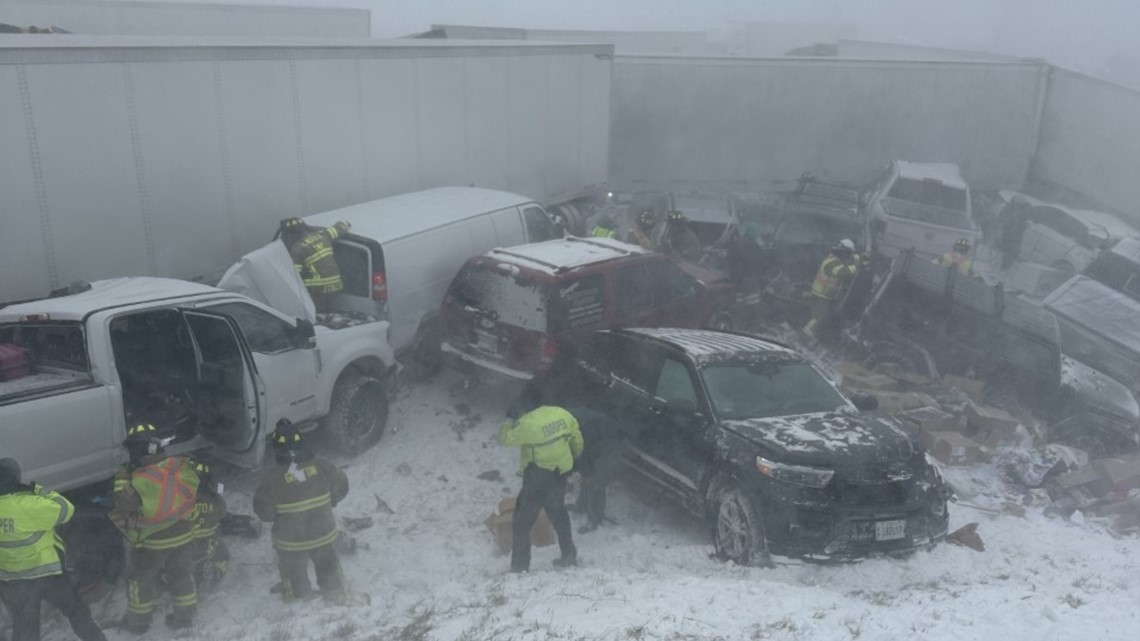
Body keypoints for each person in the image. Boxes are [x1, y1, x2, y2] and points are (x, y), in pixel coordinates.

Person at [0, 458, 108, 641]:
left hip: (15, 582)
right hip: (48, 575)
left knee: (25, 627)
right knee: (76, 611)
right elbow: (66, 509)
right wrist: (38, 490)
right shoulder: (28, 504)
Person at [110, 423, 200, 634]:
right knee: (182, 575)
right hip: (185, 533)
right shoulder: (180, 466)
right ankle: (185, 619)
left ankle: (139, 623)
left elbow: (123, 507)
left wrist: (122, 479)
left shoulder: (141, 479)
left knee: (140, 579)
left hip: (154, 541)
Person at [254, 420, 349, 603]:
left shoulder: (271, 478)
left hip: (292, 541)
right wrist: (330, 501)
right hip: (323, 533)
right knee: (327, 563)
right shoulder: (323, 466)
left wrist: (279, 517)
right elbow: (342, 486)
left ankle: (300, 600)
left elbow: (263, 510)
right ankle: (335, 593)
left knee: (292, 570)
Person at [499, 386, 583, 572]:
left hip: (537, 479)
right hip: (559, 475)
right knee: (559, 514)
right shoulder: (562, 414)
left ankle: (520, 567)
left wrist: (508, 419)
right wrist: (573, 458)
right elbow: (577, 439)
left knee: (522, 523)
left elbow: (505, 439)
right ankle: (569, 555)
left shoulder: (528, 423)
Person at [566, 406, 627, 534]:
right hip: (596, 439)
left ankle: (594, 518)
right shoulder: (564, 423)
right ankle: (581, 505)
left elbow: (585, 451)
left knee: (596, 480)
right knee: (586, 474)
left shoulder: (577, 428)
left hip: (611, 442)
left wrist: (586, 473)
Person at [278, 217, 351, 312]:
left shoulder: (297, 249)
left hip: (318, 289)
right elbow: (338, 228)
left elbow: (296, 276)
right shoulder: (323, 235)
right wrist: (345, 222)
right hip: (337, 284)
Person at [802, 239, 863, 339]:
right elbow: (842, 272)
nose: (848, 256)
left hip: (826, 294)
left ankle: (809, 335)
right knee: (820, 317)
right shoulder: (832, 262)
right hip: (821, 294)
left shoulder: (835, 260)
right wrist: (856, 267)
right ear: (843, 251)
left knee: (821, 317)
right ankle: (805, 336)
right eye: (848, 253)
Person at [188, 460, 228, 595]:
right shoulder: (215, 500)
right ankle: (214, 572)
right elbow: (222, 514)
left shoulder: (180, 499)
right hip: (205, 545)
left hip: (182, 546)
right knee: (223, 553)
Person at [999, 195, 1031, 269]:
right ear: (1014, 200)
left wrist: (1024, 225)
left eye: (1022, 202)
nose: (1020, 203)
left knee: (1015, 250)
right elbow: (1002, 217)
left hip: (1017, 234)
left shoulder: (1024, 210)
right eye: (1019, 201)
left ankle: (1007, 267)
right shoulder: (1008, 207)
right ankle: (1003, 266)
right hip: (1008, 232)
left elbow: (1025, 220)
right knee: (1007, 250)